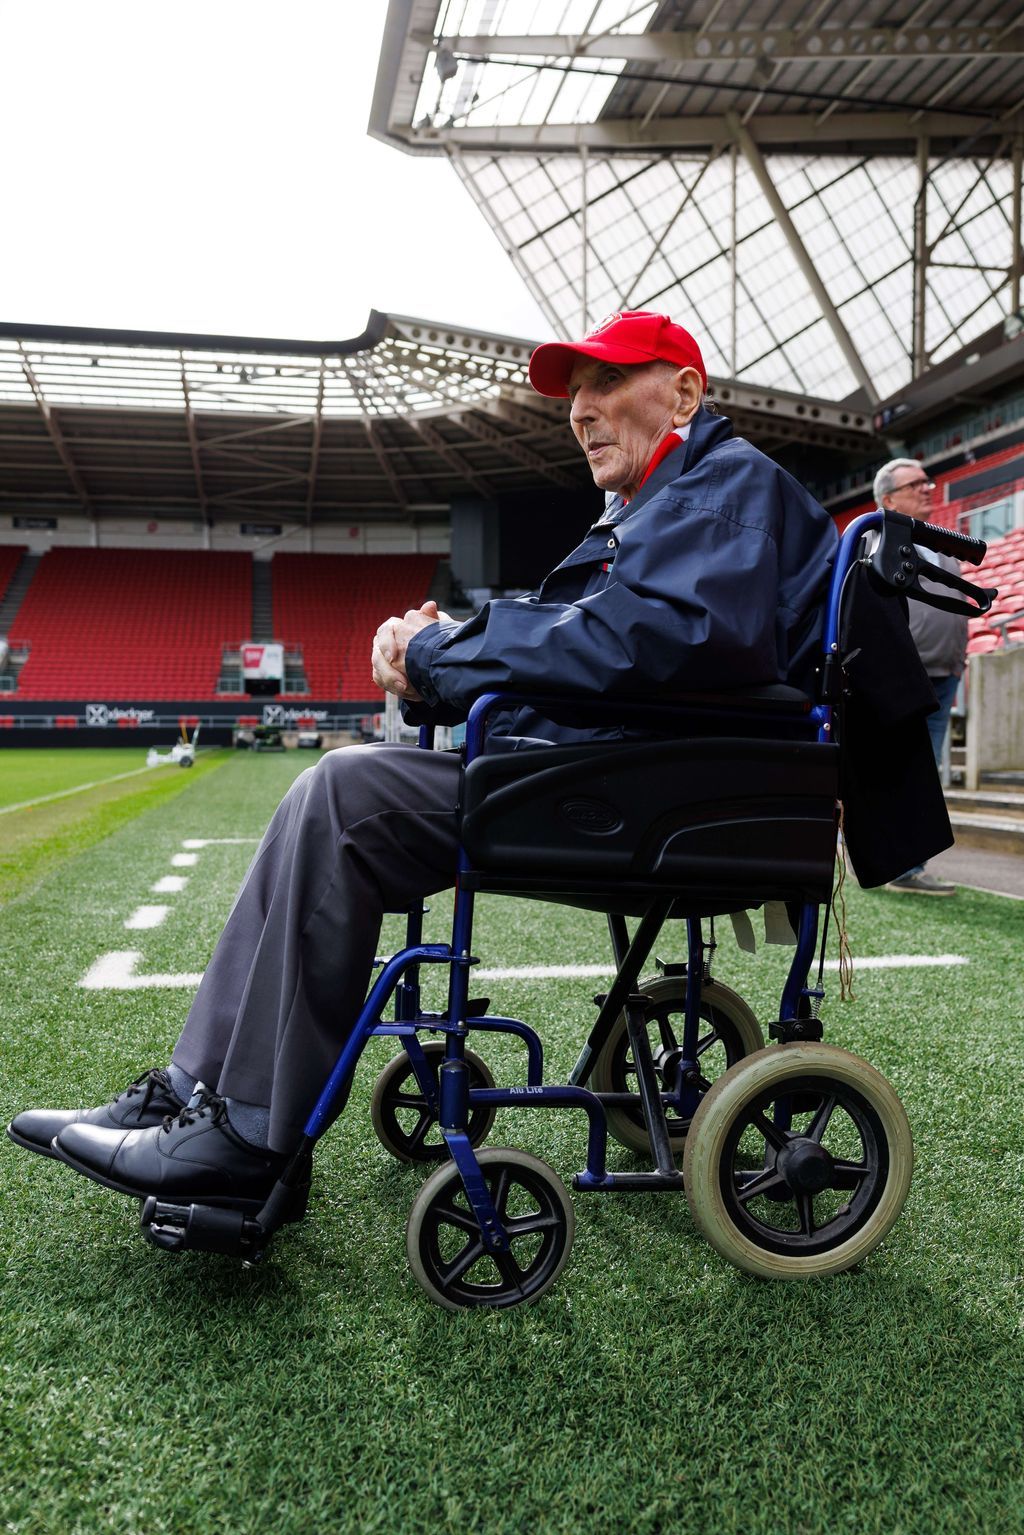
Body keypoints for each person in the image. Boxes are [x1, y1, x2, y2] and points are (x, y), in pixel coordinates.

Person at [7, 310, 837, 1210]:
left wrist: (445, 653)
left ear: (683, 392)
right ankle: (193, 1088)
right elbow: (598, 651)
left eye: (606, 382)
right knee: (327, 790)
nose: (579, 410)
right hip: (631, 770)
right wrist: (436, 661)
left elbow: (646, 646)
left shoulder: (721, 487)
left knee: (346, 792)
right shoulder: (662, 501)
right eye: (573, 393)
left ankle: (247, 1137)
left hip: (662, 790)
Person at [873, 457, 967, 896]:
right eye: (916, 484)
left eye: (928, 482)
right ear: (889, 499)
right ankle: (895, 861)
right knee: (897, 769)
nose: (928, 488)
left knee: (925, 774)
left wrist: (959, 660)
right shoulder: (873, 541)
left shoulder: (943, 546)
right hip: (900, 676)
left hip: (944, 674)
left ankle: (909, 865)